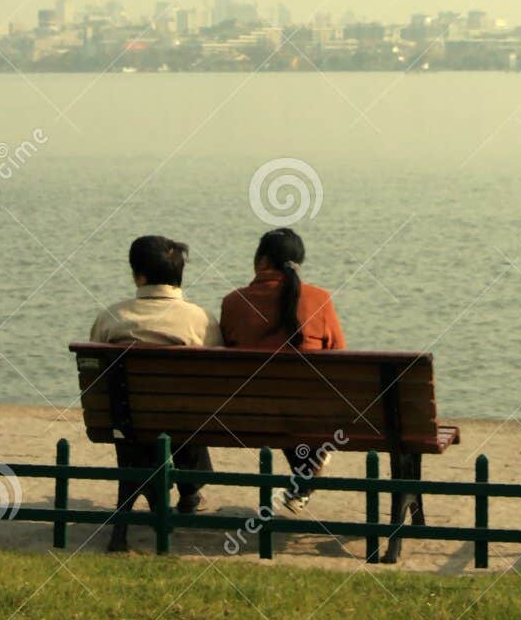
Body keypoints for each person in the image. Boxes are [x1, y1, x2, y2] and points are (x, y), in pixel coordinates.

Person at [89, 234, 221, 550]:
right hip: (183, 426)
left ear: (140, 275)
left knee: (138, 416)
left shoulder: (111, 317)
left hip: (127, 424)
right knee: (187, 409)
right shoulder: (201, 320)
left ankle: (148, 496)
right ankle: (190, 490)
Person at [220, 227, 345, 510]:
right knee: (297, 398)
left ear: (262, 261)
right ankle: (310, 469)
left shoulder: (232, 302)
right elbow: (339, 358)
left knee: (278, 398)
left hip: (244, 416)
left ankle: (306, 475)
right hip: (305, 413)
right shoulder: (319, 299)